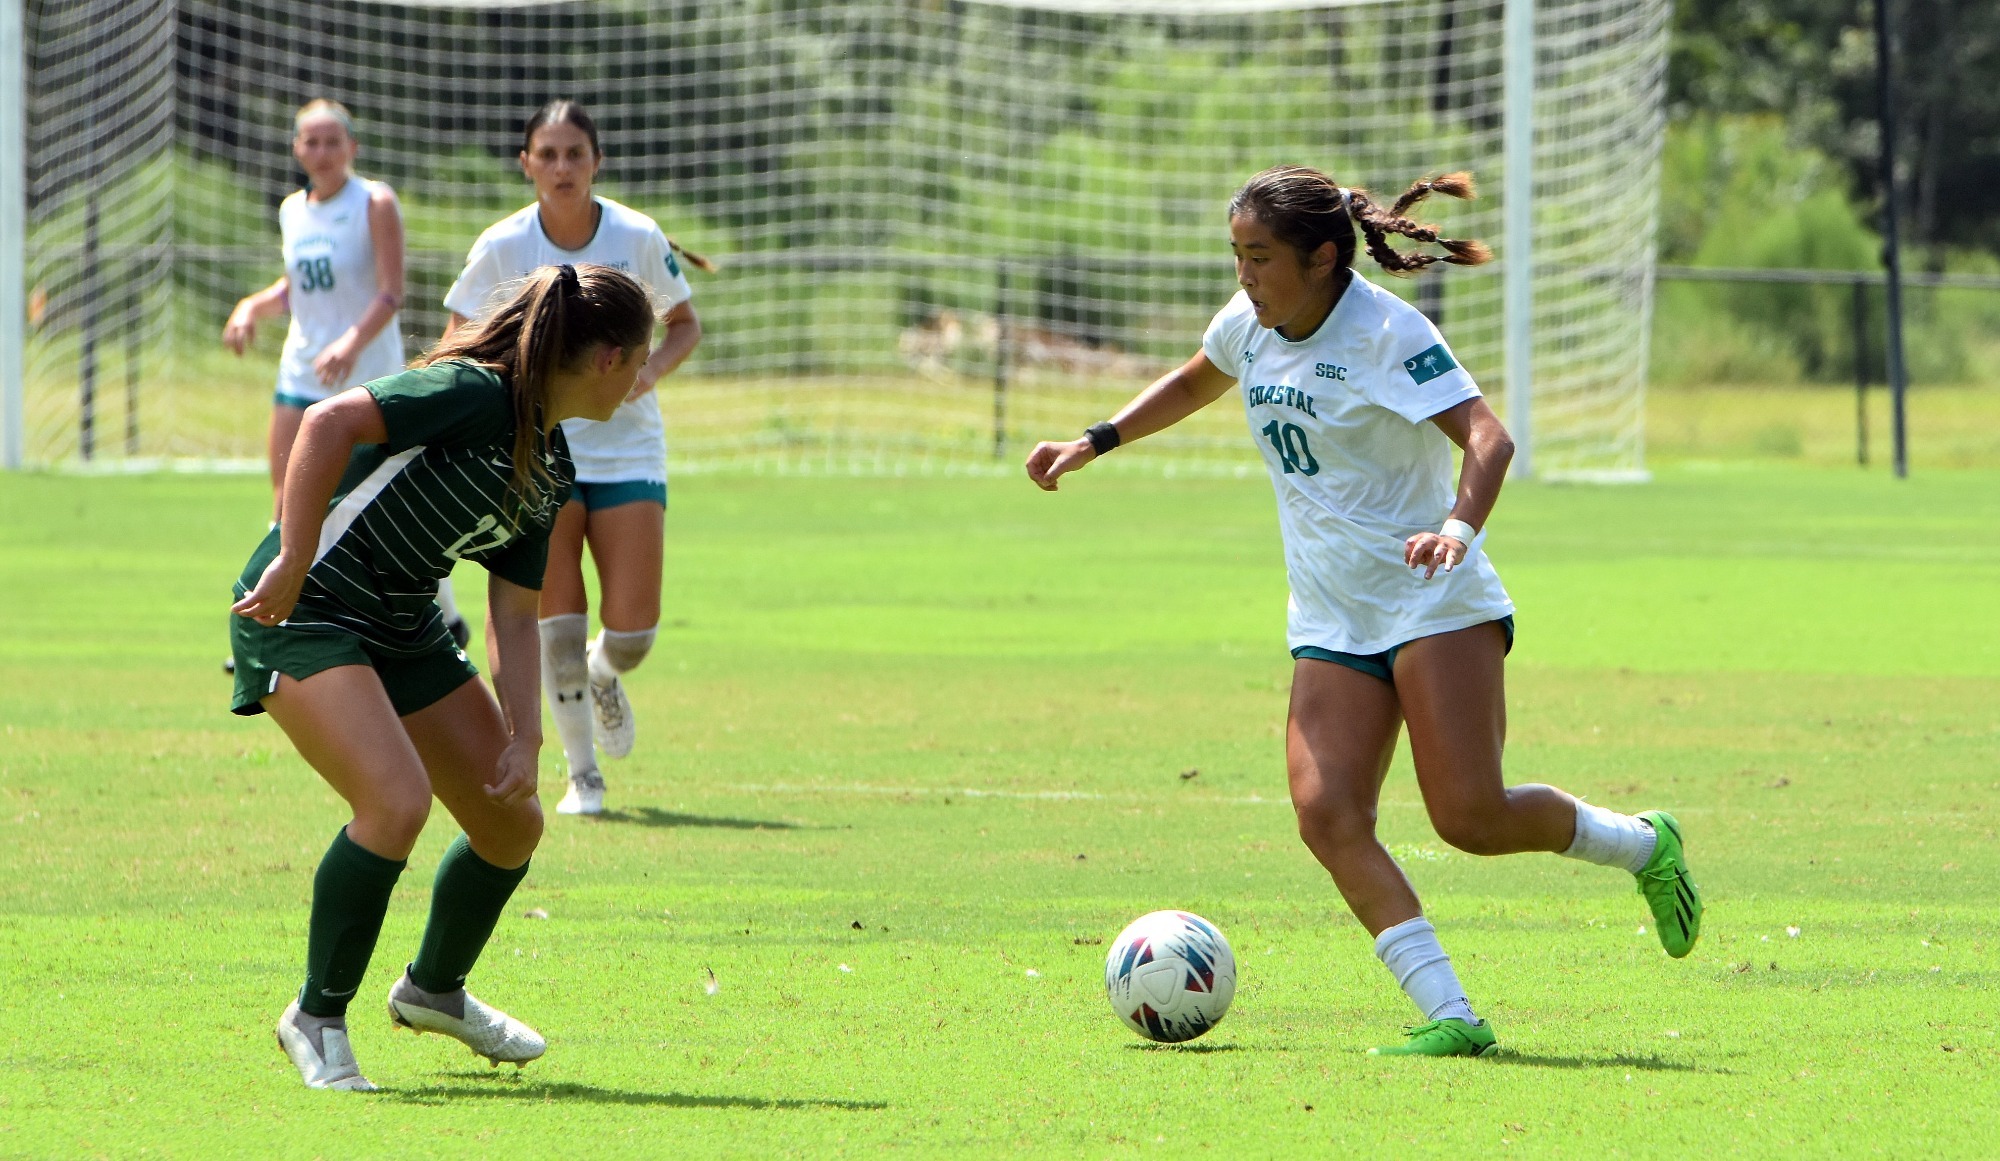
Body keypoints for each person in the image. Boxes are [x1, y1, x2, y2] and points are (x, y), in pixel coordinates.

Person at [1024, 165, 1702, 1058]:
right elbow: (1197, 380)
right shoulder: (1251, 325)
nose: (1244, 275)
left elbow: (1490, 437)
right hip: (1331, 615)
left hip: (1432, 600)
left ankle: (1643, 844)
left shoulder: (1386, 329)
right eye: (1236, 255)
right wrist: (1095, 439)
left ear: (1323, 257)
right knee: (1327, 812)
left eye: (1260, 257)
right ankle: (1452, 1015)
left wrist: (1458, 528)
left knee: (1471, 818)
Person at [230, 263, 655, 1090]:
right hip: (304, 607)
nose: (644, 378)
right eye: (640, 359)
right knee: (394, 802)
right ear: (606, 358)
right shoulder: (475, 392)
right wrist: (289, 553)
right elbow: (325, 422)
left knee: (511, 823)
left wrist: (526, 732)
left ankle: (433, 988)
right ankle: (314, 1016)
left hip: (400, 624)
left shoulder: (550, 464)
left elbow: (512, 610)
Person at [443, 99, 707, 816]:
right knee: (553, 618)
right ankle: (582, 776)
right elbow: (458, 336)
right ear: (526, 163)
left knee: (634, 629)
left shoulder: (637, 235)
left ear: (597, 161)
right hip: (538, 449)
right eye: (547, 154)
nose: (562, 167)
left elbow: (685, 324)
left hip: (626, 449)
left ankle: (602, 672)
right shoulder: (501, 245)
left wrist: (646, 373)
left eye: (574, 154)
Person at [219, 99, 471, 647]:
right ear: (297, 149)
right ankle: (270, 626)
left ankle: (447, 617)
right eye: (312, 141)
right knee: (288, 498)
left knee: (379, 495)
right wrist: (251, 307)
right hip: (301, 372)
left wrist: (351, 343)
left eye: (333, 141)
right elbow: (296, 286)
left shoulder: (374, 202)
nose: (322, 151)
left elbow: (391, 290)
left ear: (352, 148)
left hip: (367, 377)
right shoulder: (293, 210)